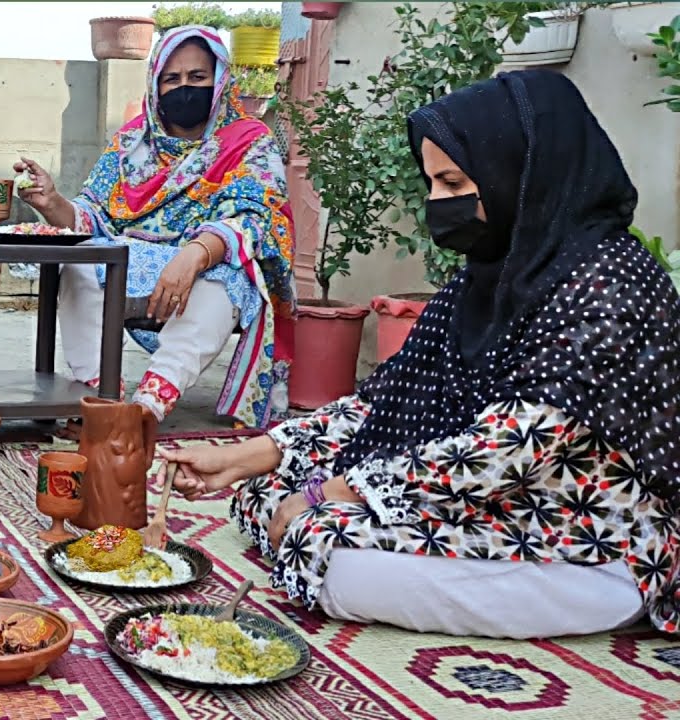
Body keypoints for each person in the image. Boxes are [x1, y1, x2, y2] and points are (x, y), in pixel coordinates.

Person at [162, 70, 680, 638]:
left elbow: (505, 451)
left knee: (324, 544)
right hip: (485, 498)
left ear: (520, 170)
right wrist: (250, 455)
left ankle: (600, 604)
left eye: (456, 184)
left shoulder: (610, 283)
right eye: (434, 184)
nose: (440, 204)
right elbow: (385, 402)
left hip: (586, 535)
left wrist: (329, 493)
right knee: (263, 495)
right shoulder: (494, 277)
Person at [15, 25, 295, 433]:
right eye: (172, 79)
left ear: (220, 80)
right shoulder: (132, 143)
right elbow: (93, 217)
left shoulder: (250, 141)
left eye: (198, 77)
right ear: (155, 84)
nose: (185, 89)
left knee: (228, 279)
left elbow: (255, 216)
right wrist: (53, 201)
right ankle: (99, 398)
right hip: (135, 262)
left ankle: (149, 406)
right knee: (81, 263)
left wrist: (194, 255)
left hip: (205, 262)